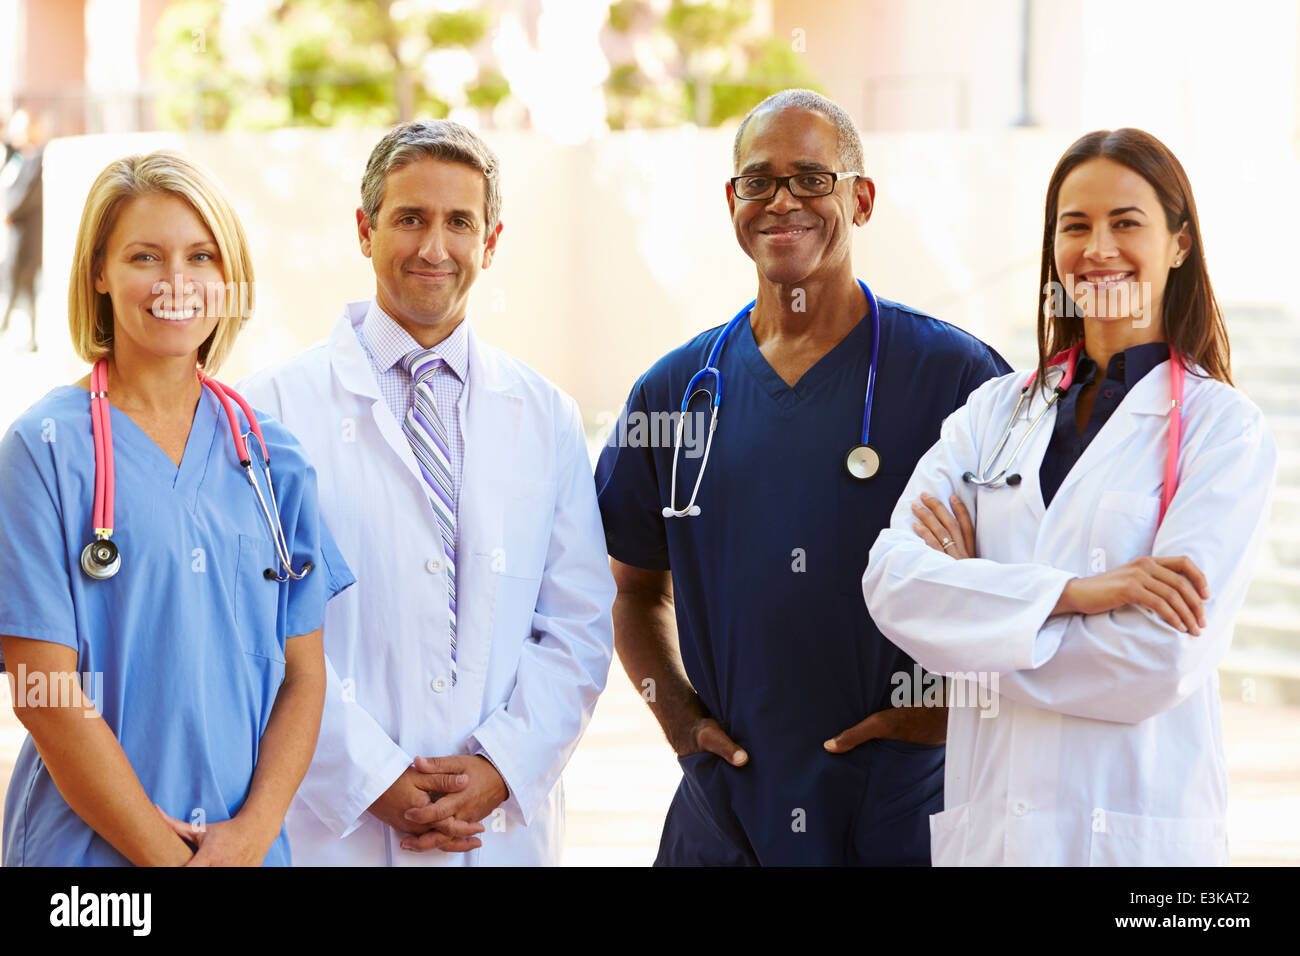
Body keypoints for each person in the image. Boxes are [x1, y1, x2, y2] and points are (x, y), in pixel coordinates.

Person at [593, 89, 1010, 865]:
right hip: (729, 807)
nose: (783, 199)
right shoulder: (674, 392)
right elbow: (629, 588)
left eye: (812, 178)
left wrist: (952, 712)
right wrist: (680, 721)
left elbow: (1029, 578)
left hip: (903, 802)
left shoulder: (958, 378)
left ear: (862, 197)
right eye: (760, 180)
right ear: (733, 203)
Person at [862, 128, 1277, 866]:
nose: (1099, 247)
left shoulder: (1223, 430)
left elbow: (1157, 662)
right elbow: (893, 585)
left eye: (1127, 222)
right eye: (1075, 225)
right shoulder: (993, 413)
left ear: (1179, 244)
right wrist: (1084, 594)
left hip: (1133, 838)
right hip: (993, 833)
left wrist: (976, 620)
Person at [238, 120, 615, 866]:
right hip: (333, 827)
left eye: (459, 223)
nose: (433, 247)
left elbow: (578, 622)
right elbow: (257, 630)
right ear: (365, 229)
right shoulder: (272, 411)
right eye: (410, 218)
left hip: (498, 829)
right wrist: (373, 779)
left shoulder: (545, 414)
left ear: (491, 241)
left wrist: (502, 766)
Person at [0, 151, 352, 866]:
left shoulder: (271, 458)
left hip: (242, 849)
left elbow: (304, 677)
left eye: (201, 257)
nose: (176, 284)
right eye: (144, 257)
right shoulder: (43, 448)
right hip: (89, 863)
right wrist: (167, 859)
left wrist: (253, 834)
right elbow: (44, 692)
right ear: (99, 272)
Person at [1, 109, 45, 351]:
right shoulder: (15, 157)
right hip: (14, 234)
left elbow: (29, 195)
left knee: (27, 284)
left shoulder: (37, 159)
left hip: (28, 234)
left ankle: (31, 336)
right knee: (11, 280)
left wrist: (9, 213)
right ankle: (6, 325)